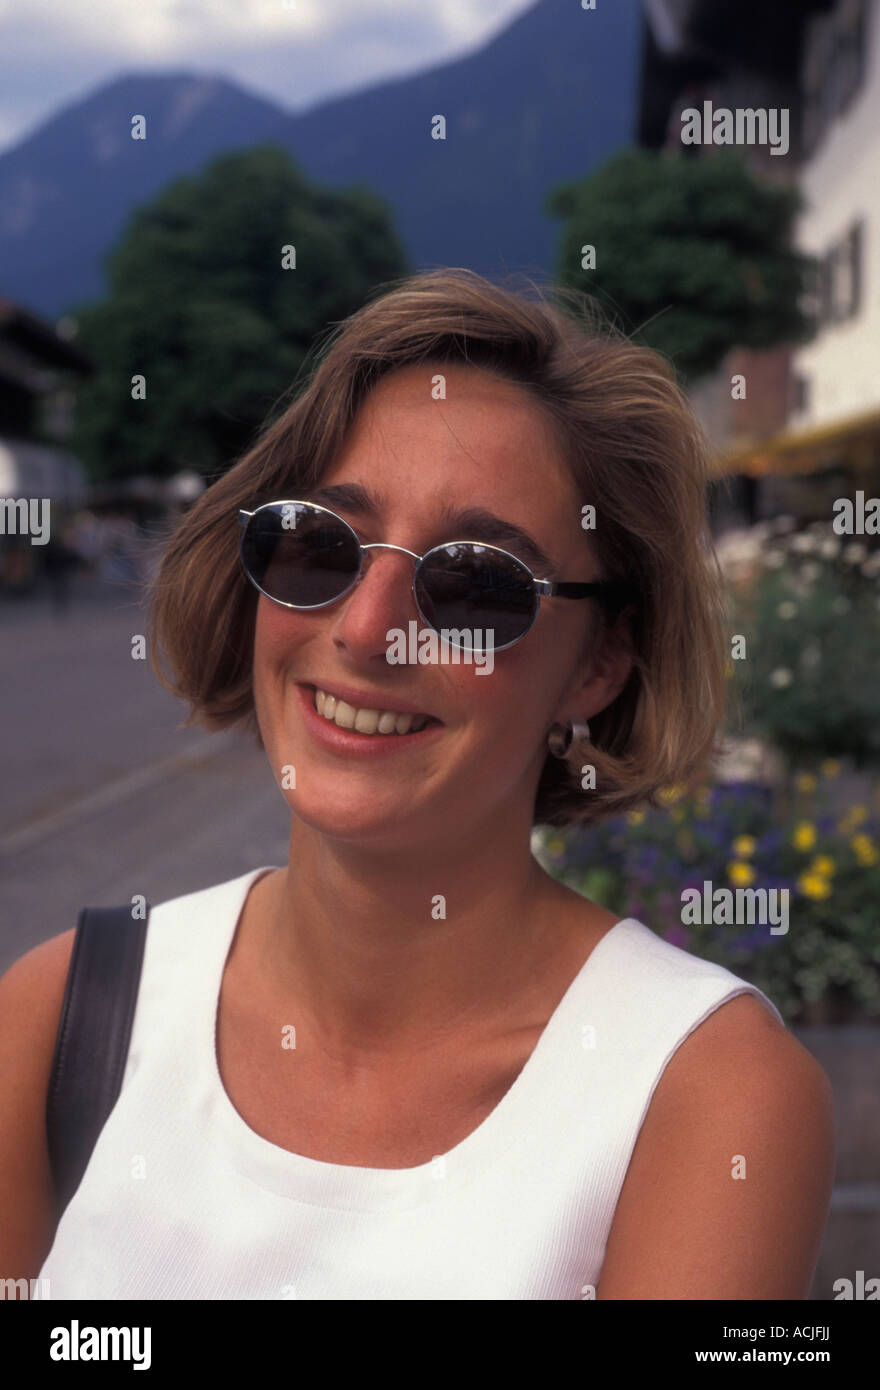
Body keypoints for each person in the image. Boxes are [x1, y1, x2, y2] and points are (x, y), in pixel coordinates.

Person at [0, 269, 833, 1300]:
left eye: (475, 579)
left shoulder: (706, 1093)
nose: (363, 627)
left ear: (599, 662)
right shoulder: (66, 1014)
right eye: (318, 544)